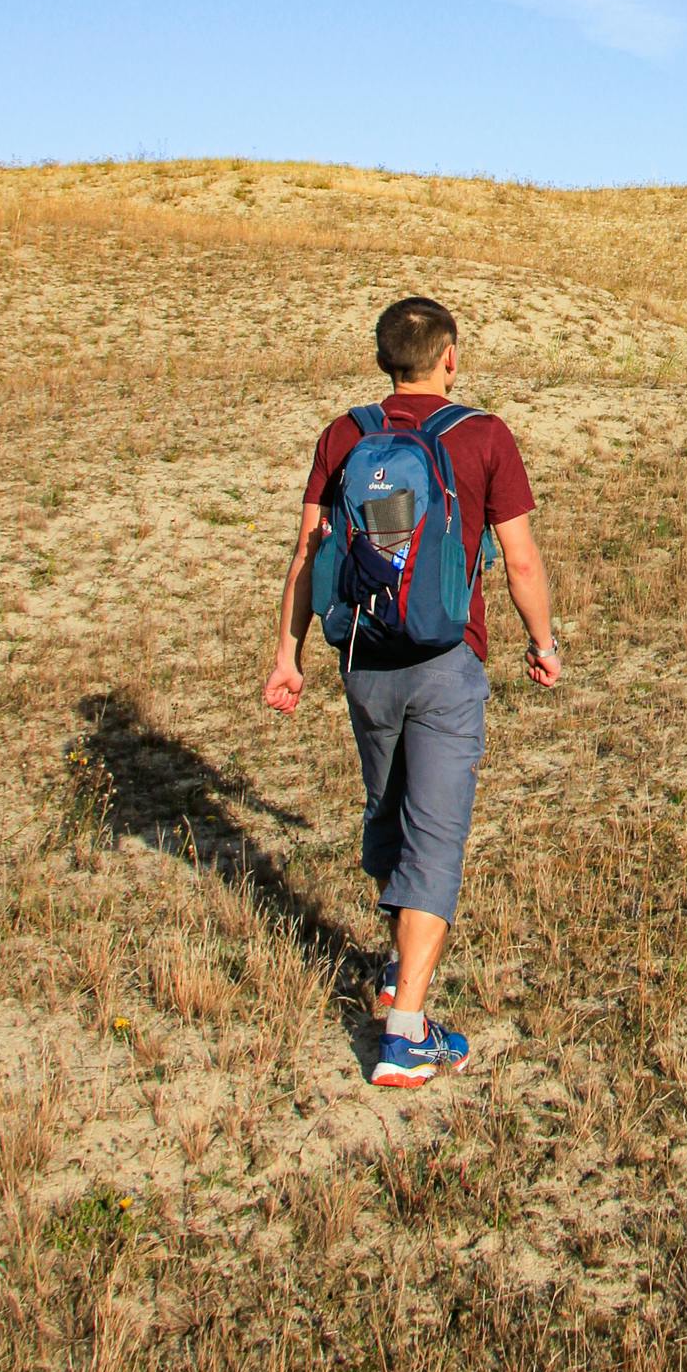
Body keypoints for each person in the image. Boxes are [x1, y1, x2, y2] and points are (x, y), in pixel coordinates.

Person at [263, 295, 561, 1088]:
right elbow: (521, 560)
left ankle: (400, 973)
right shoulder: (483, 436)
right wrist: (542, 642)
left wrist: (286, 656)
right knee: (435, 830)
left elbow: (306, 552)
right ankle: (405, 1033)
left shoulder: (345, 435)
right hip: (445, 657)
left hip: (362, 657)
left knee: (388, 809)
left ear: (383, 357)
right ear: (450, 356)